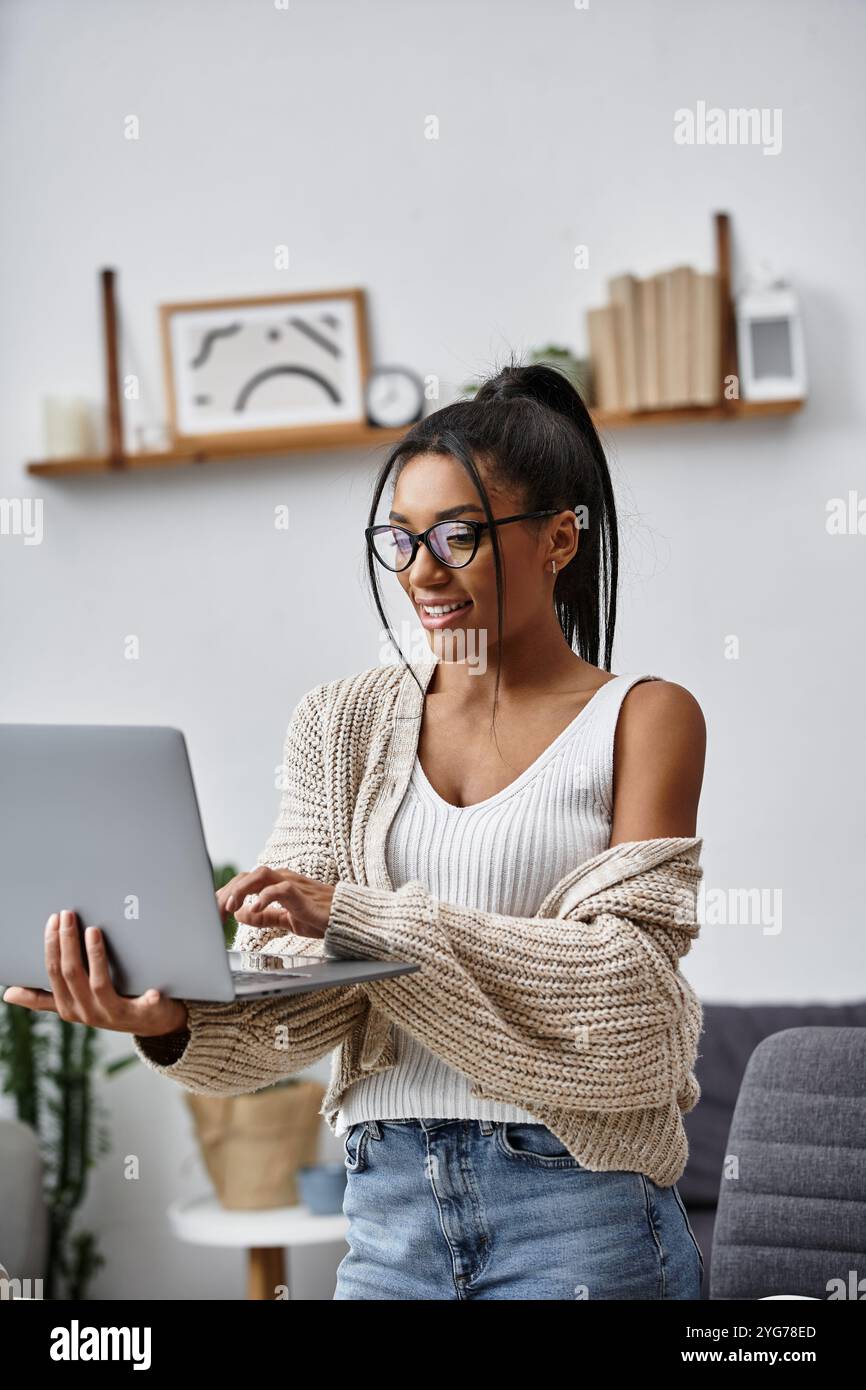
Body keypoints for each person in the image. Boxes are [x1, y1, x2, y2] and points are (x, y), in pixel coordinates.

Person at [3, 362, 707, 1300]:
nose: (423, 572)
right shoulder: (340, 725)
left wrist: (359, 917)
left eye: (460, 536)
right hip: (387, 1213)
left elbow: (632, 1010)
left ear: (559, 539)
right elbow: (302, 1005)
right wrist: (170, 1022)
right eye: (401, 539)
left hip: (579, 1207)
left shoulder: (644, 719)